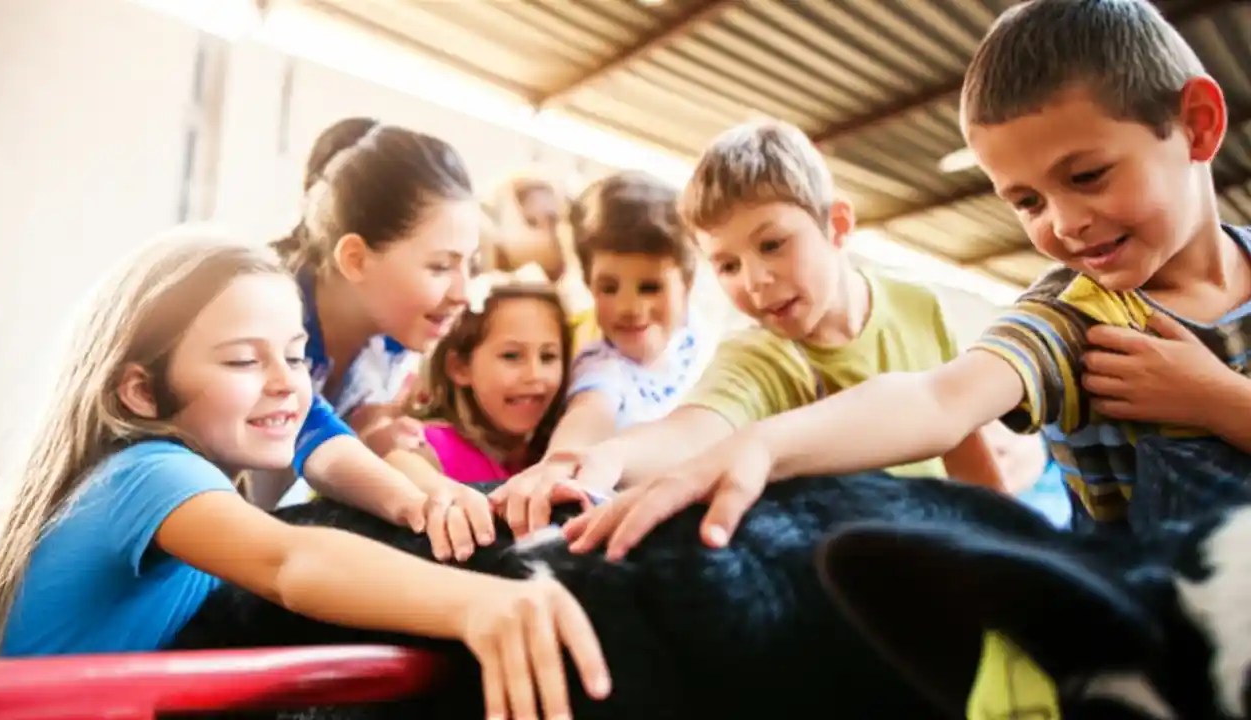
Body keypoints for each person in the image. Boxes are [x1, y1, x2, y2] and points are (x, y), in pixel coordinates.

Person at [564, 0, 1249, 558]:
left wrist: (1217, 400)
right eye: (1028, 202)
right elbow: (936, 401)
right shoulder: (1075, 323)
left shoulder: (912, 305)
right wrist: (763, 445)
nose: (1065, 224)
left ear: (1196, 125)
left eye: (1087, 175)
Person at [0, 232, 610, 718]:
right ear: (140, 391)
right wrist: (478, 600)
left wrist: (476, 501)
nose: (286, 382)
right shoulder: (146, 473)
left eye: (298, 356)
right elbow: (289, 561)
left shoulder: (190, 475)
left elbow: (337, 460)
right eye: (244, 360)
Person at [508, 119, 1009, 538]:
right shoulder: (758, 357)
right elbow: (692, 431)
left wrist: (1015, 542)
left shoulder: (918, 304)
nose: (756, 281)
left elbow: (966, 448)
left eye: (772, 245)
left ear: (836, 224)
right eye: (727, 265)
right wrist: (598, 457)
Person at [269, 118, 496, 560]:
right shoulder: (267, 321)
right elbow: (314, 436)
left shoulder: (388, 338)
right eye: (439, 267)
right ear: (355, 258)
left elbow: (365, 424)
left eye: (469, 265)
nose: (464, 293)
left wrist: (434, 486)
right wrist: (421, 501)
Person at [490, 171, 713, 537]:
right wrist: (562, 460)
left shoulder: (696, 335)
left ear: (687, 284)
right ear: (588, 283)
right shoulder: (604, 366)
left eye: (650, 287)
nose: (629, 307)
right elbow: (590, 412)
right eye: (609, 287)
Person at [394, 283, 570, 491]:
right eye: (511, 356)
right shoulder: (426, 448)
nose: (535, 375)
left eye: (548, 357)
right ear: (460, 368)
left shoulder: (558, 455)